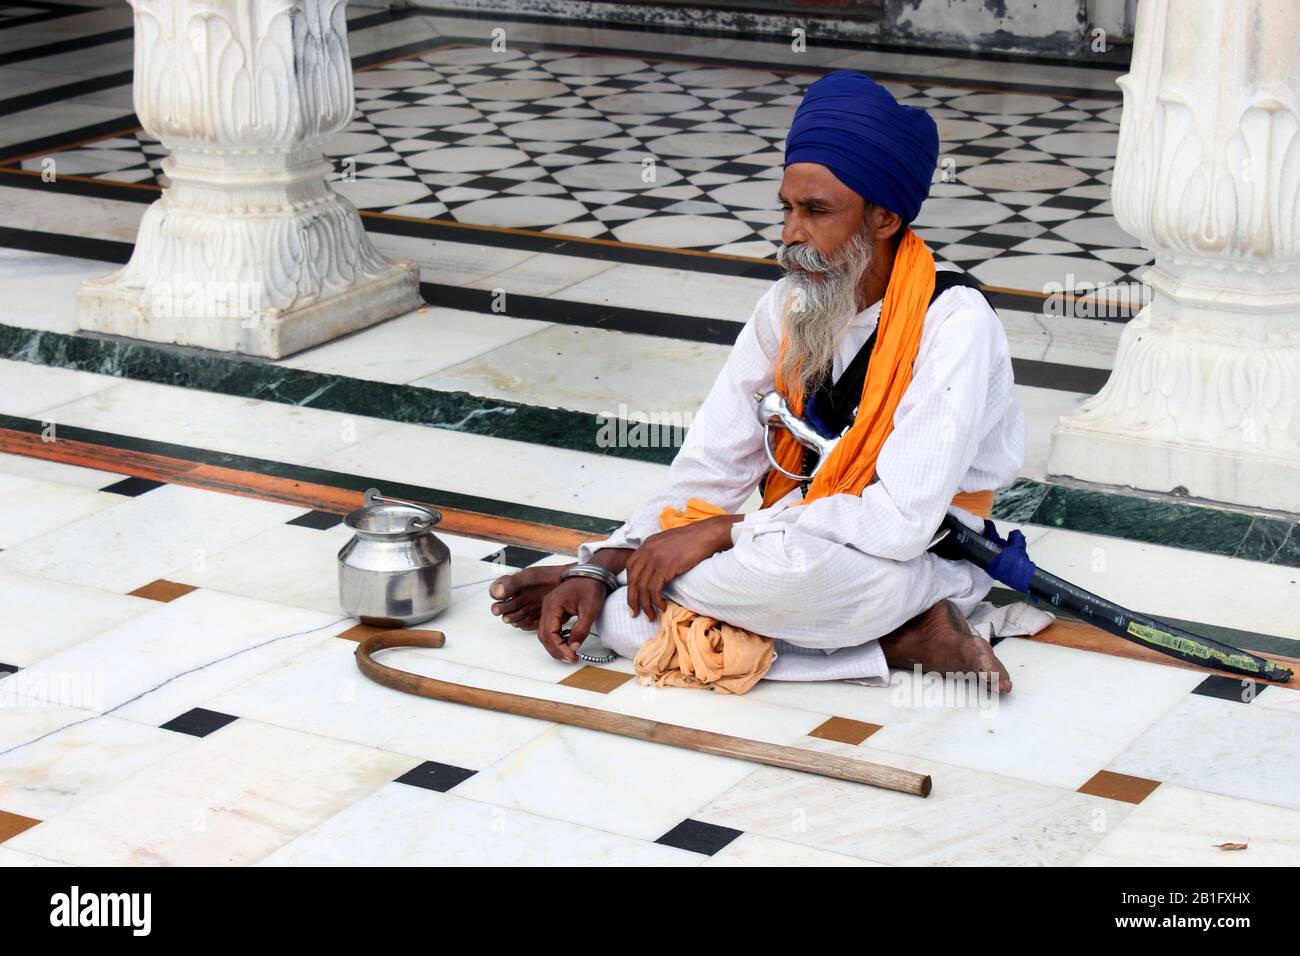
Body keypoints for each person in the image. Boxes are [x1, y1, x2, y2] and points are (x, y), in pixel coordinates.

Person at [489, 71, 1032, 694]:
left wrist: (656, 552)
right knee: (625, 624)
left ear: (883, 218)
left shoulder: (955, 323)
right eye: (787, 208)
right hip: (796, 538)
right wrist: (631, 550)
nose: (790, 234)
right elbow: (707, 475)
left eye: (816, 212)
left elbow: (900, 525)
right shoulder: (786, 306)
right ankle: (898, 641)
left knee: (781, 583)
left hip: (921, 559)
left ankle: (890, 620)